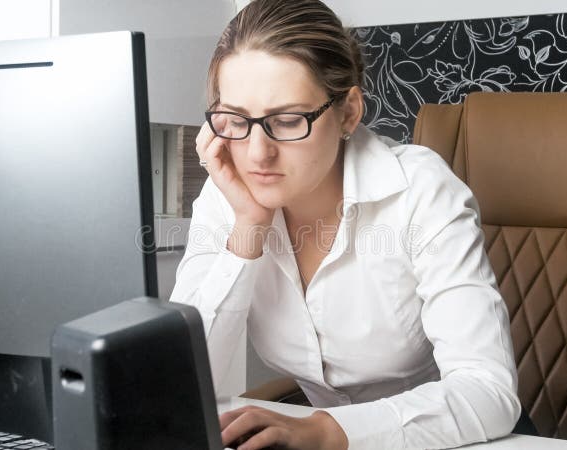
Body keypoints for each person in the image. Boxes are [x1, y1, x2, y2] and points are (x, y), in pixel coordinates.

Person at [169, 1, 521, 448]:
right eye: (237, 120)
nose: (257, 153)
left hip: (455, 437)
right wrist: (249, 227)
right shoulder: (229, 196)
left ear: (349, 112)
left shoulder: (420, 191)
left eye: (288, 120)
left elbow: (487, 392)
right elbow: (183, 384)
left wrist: (324, 431)